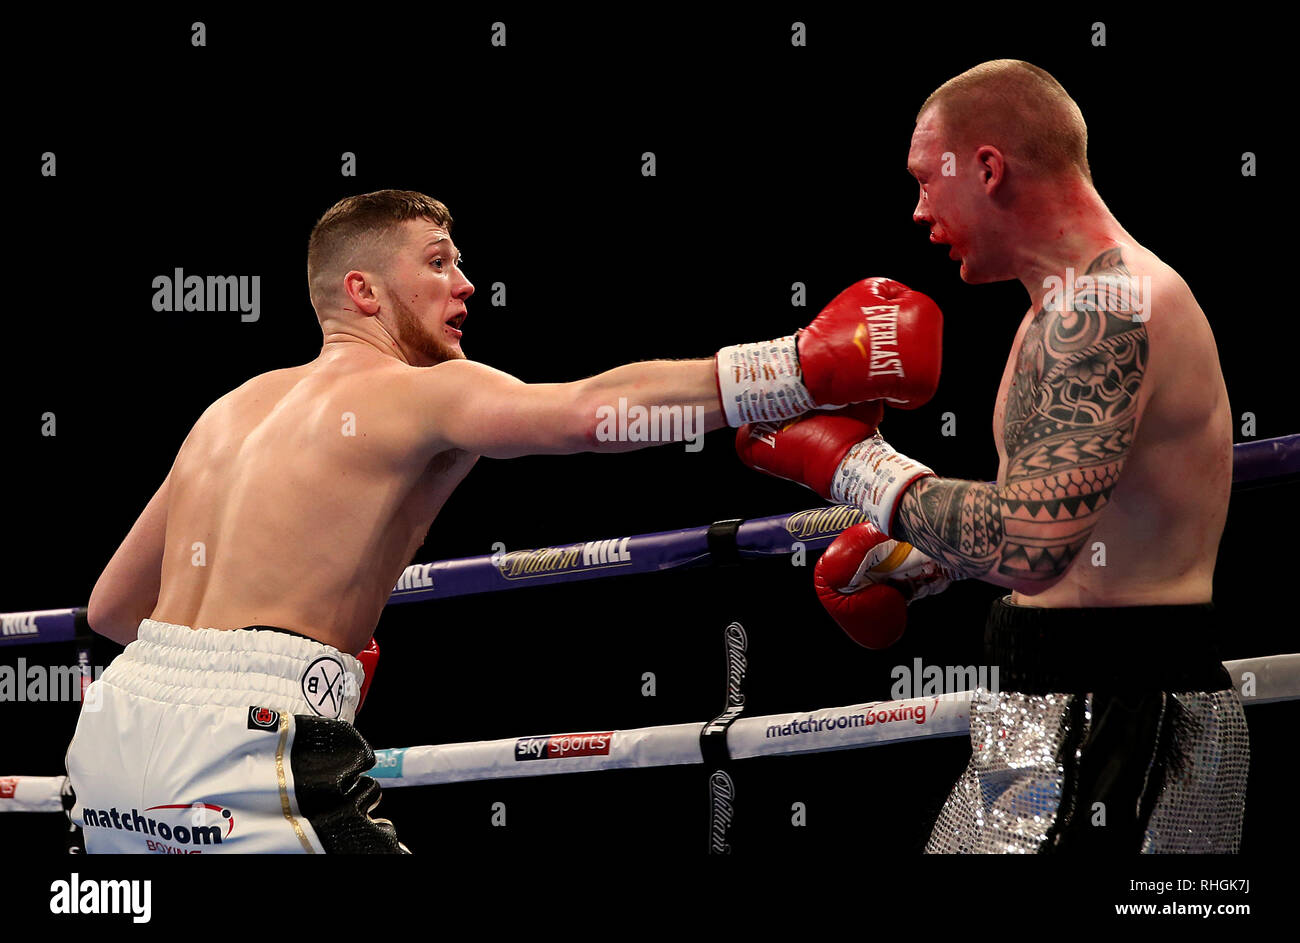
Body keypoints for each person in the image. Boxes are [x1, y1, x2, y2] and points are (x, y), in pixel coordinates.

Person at [64, 189, 944, 853]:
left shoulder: (228, 408)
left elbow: (111, 609)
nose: (467, 282)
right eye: (439, 262)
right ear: (364, 291)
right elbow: (588, 414)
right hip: (246, 742)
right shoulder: (421, 391)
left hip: (110, 735)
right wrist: (794, 367)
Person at [738, 60, 1247, 853]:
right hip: (1072, 702)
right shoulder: (1059, 309)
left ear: (986, 167)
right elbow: (1067, 522)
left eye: (923, 181)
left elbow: (1030, 545)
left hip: (1115, 713)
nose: (916, 211)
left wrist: (851, 465)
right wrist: (929, 559)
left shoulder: (1103, 309)